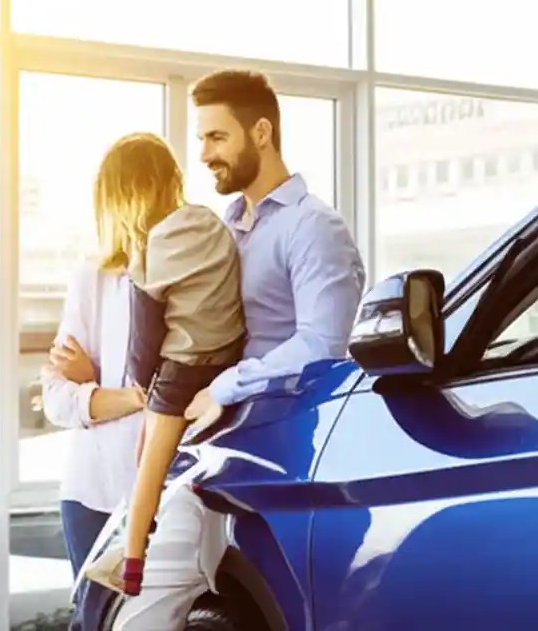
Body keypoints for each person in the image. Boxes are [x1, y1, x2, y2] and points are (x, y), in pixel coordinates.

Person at [103, 69, 365, 629]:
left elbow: (323, 346)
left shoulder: (313, 228)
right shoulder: (227, 225)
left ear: (262, 133)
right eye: (200, 139)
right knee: (139, 613)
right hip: (217, 455)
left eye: (216, 137)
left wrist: (224, 386)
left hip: (283, 464)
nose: (203, 154)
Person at [83, 132, 245, 597]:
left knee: (148, 465)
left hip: (180, 371)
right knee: (172, 459)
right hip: (228, 361)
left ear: (125, 198)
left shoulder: (151, 251)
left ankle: (132, 561)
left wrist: (142, 384)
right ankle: (157, 539)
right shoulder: (209, 224)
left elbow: (145, 341)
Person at [39, 159, 151, 602]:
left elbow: (184, 388)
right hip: (92, 494)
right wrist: (130, 396)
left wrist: (93, 382)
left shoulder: (188, 278)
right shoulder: (92, 279)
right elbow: (55, 398)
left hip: (161, 493)